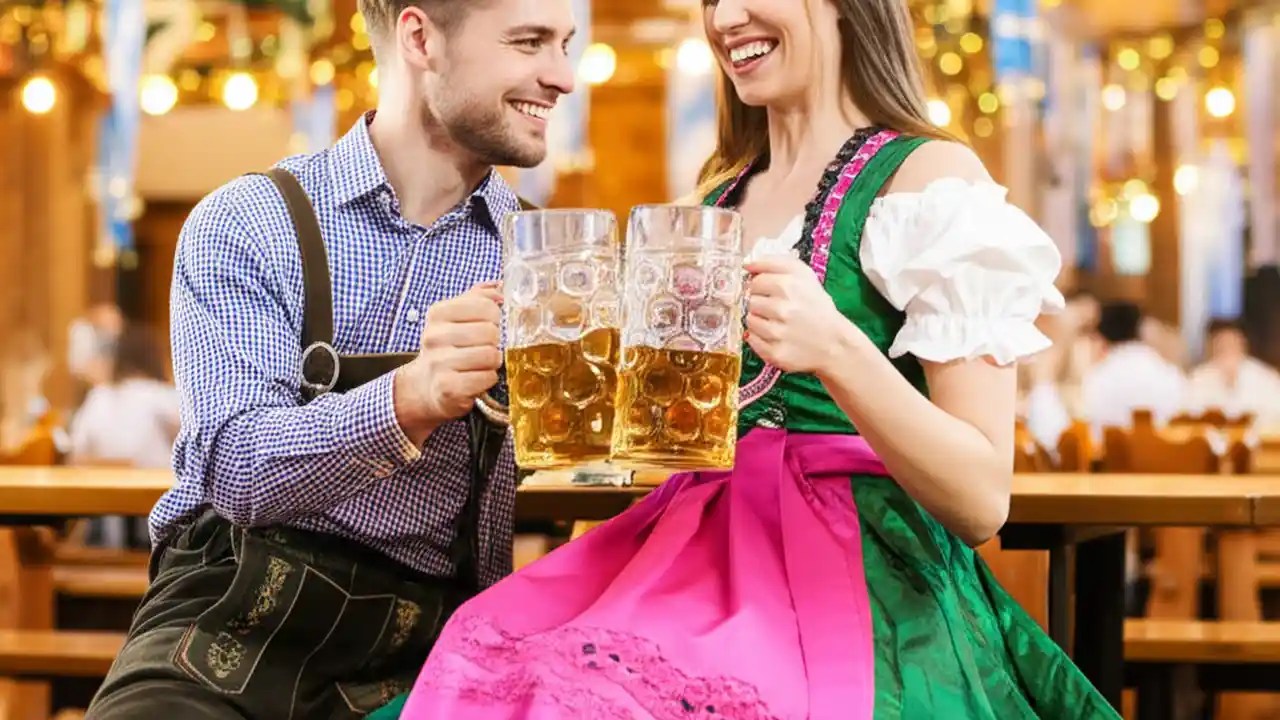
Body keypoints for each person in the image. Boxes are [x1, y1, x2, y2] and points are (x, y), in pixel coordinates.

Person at [381, 0, 1117, 717]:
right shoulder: (713, 198)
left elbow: (981, 500)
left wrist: (835, 348)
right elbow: (656, 440)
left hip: (853, 579)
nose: (726, 17)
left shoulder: (929, 180)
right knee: (502, 665)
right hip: (693, 544)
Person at [85, 0, 576, 717]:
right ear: (420, 38)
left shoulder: (557, 264)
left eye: (565, 44)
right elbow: (234, 468)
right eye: (530, 42)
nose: (562, 76)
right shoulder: (247, 222)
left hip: (427, 645)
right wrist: (410, 397)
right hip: (226, 615)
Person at [68, 322, 179, 548]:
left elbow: (76, 451)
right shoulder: (161, 397)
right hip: (157, 505)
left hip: (103, 510)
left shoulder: (98, 397)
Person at [1186, 318, 1280, 429]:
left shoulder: (1264, 377)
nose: (1227, 348)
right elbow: (1190, 415)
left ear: (1242, 344)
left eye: (1231, 342)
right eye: (1221, 344)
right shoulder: (1198, 378)